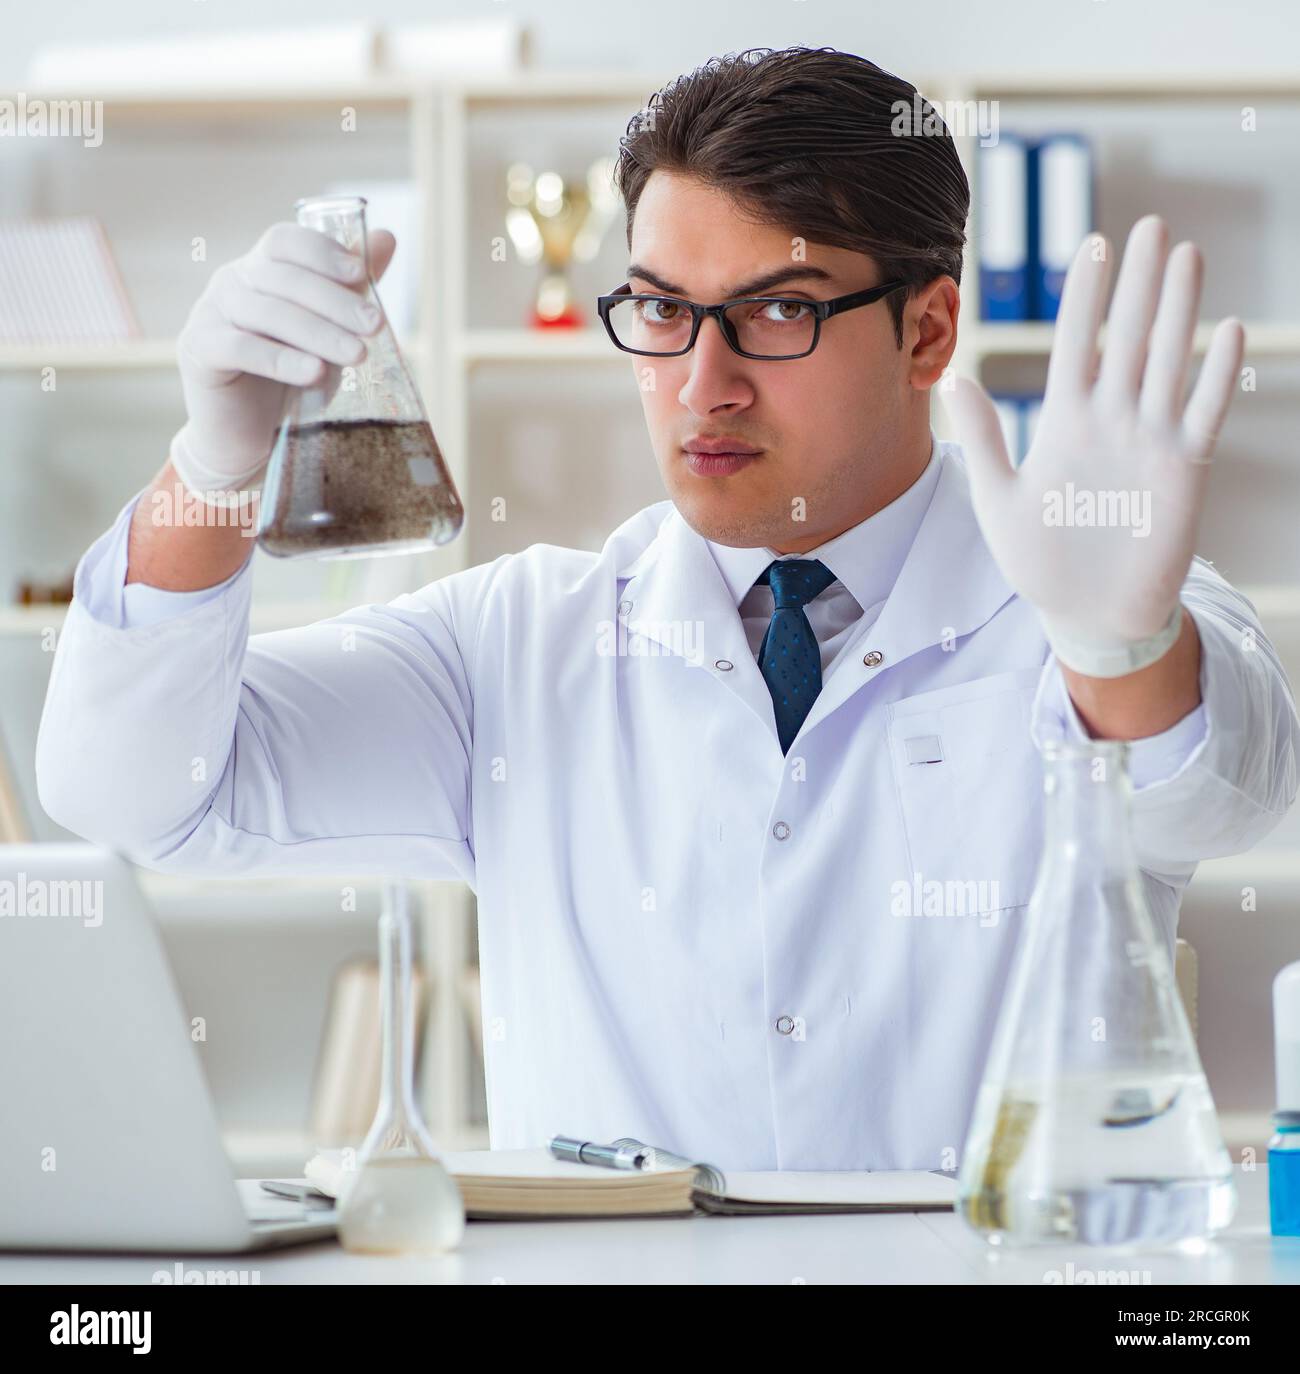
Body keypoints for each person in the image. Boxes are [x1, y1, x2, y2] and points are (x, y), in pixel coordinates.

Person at [36, 47, 1299, 1170]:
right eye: (661, 310)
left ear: (928, 330)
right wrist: (210, 472)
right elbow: (141, 793)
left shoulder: (1098, 604)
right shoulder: (514, 650)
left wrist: (1111, 648)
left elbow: (1218, 787)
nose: (705, 384)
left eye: (777, 312)